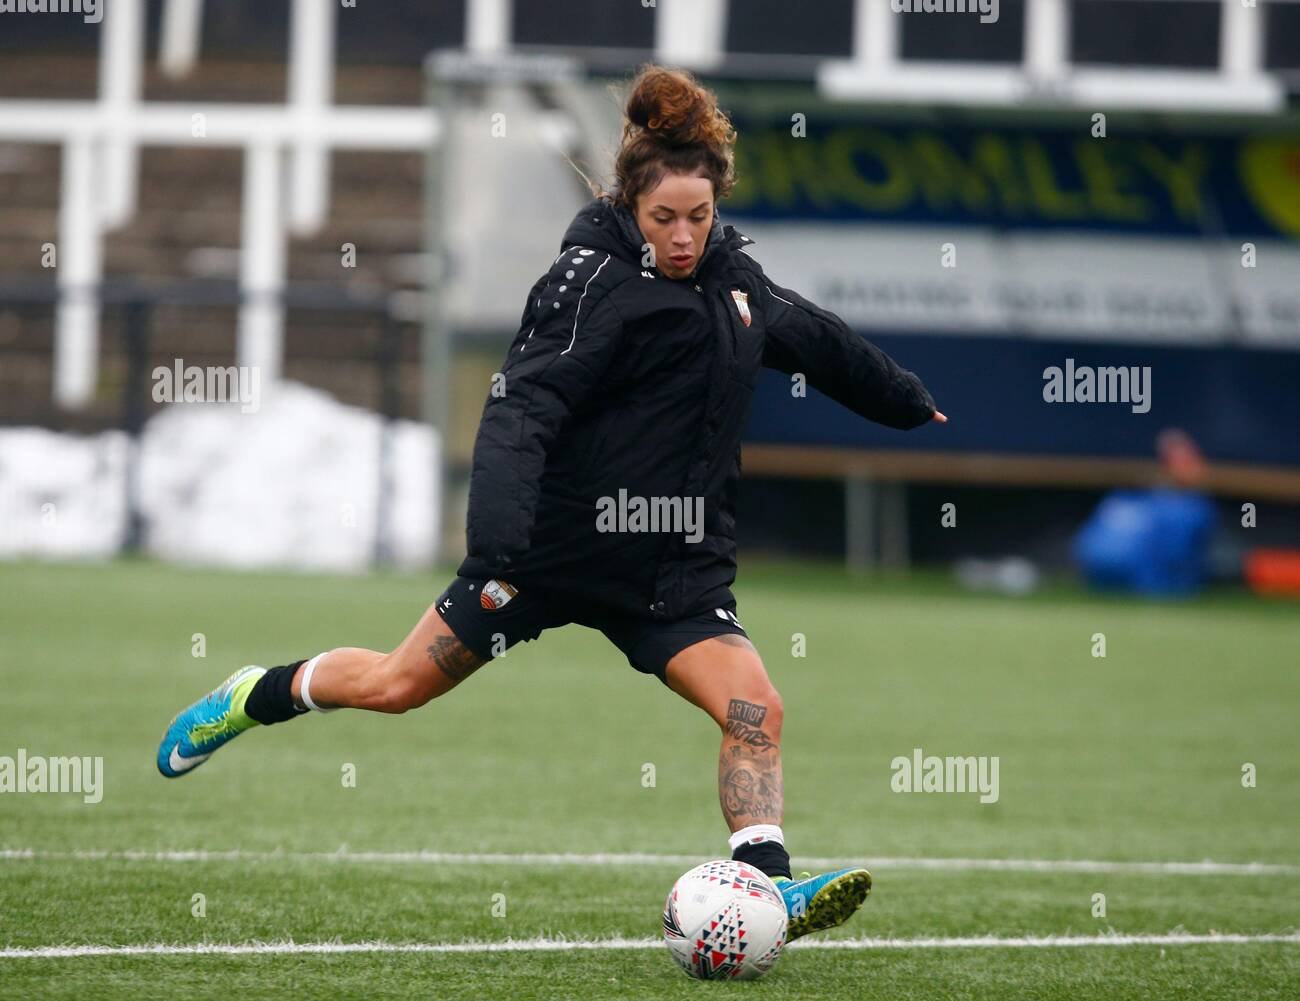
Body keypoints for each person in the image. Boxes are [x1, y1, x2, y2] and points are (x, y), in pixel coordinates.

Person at [156, 63, 946, 941]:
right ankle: (253, 692)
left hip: (669, 568)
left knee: (756, 709)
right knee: (394, 684)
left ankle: (771, 884)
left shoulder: (736, 282)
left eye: (700, 217)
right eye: (663, 219)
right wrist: (499, 533)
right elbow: (522, 404)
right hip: (548, 551)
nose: (683, 237)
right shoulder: (587, 285)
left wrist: (903, 397)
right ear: (629, 206)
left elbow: (818, 342)